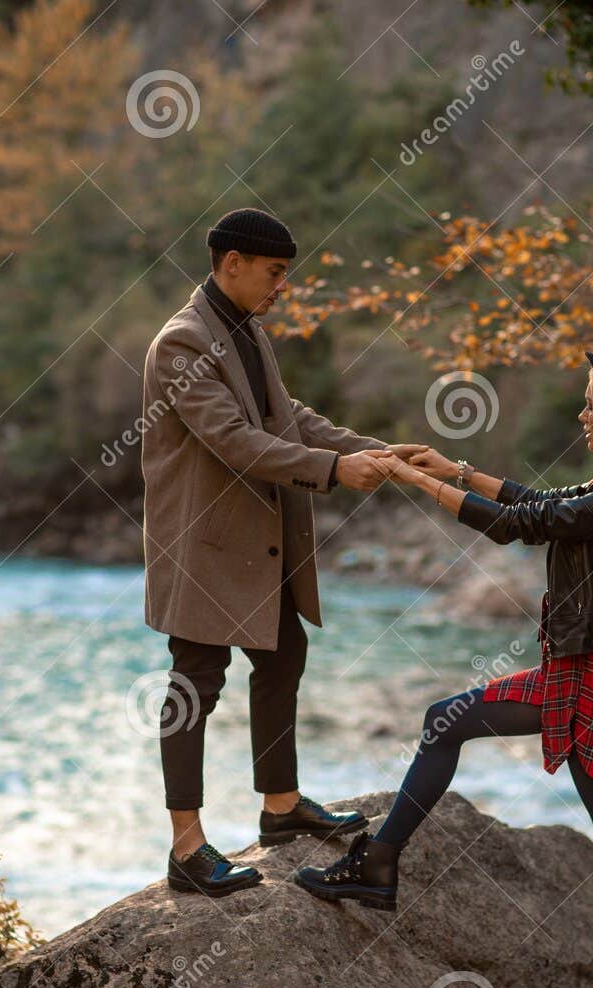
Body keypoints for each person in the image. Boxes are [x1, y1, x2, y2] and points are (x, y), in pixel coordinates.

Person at [294, 348, 593, 988]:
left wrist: (405, 476)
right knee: (458, 729)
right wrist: (451, 467)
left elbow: (509, 526)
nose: (584, 413)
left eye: (592, 403)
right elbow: (535, 504)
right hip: (583, 675)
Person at [140, 207, 429, 898]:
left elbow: (289, 419)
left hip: (248, 548)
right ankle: (186, 846)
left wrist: (372, 452)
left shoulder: (245, 331)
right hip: (204, 550)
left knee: (283, 652)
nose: (281, 287)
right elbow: (237, 442)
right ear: (231, 262)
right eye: (274, 273)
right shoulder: (181, 344)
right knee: (194, 684)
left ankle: (279, 807)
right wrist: (333, 472)